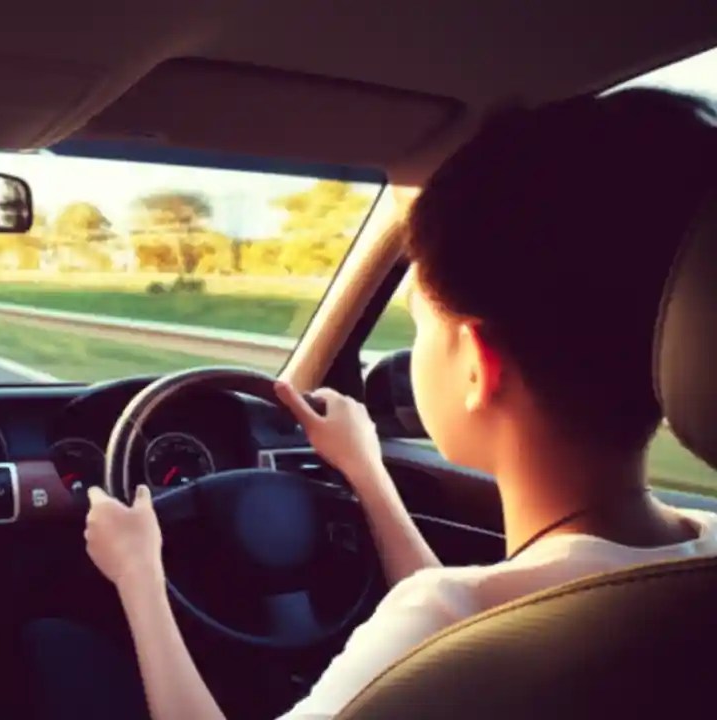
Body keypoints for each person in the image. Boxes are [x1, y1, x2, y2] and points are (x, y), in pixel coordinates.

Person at [76, 86, 717, 719]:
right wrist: (367, 473)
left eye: (419, 322)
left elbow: (451, 624)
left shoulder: (440, 628)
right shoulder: (694, 561)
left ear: (478, 363)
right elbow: (468, 620)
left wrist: (138, 572)